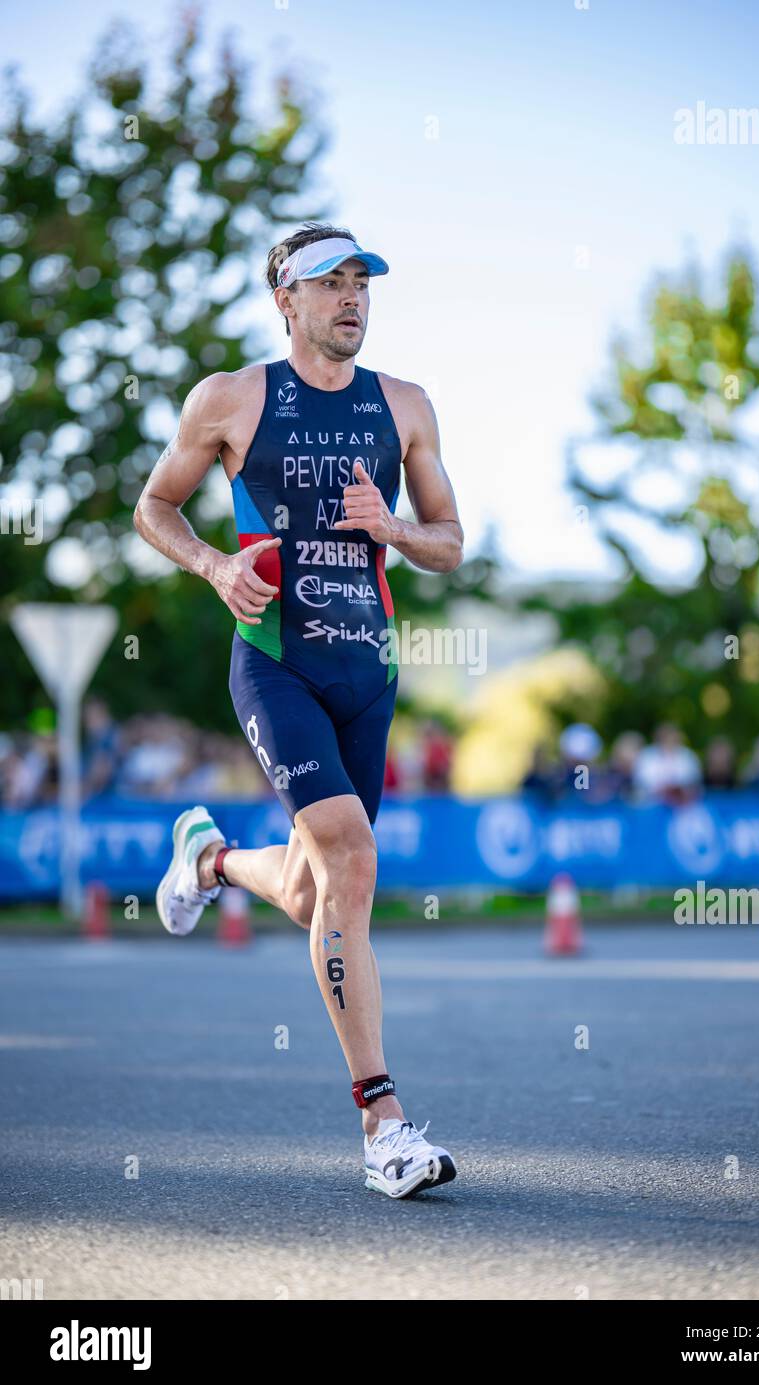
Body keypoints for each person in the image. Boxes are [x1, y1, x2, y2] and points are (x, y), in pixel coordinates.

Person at [134, 223, 463, 1199]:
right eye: (328, 283)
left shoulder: (403, 405)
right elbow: (155, 505)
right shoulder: (230, 399)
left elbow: (450, 542)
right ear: (286, 299)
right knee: (350, 859)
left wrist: (392, 528)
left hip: (368, 668)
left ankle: (211, 858)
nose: (350, 298)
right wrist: (211, 564)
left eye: (361, 281)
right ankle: (383, 1126)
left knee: (327, 892)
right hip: (276, 661)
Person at [633, 723, 702, 805]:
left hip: (683, 804)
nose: (669, 739)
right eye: (665, 736)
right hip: (651, 803)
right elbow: (640, 781)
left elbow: (693, 781)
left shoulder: (688, 756)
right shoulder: (647, 755)